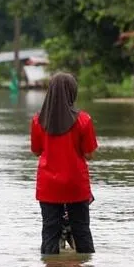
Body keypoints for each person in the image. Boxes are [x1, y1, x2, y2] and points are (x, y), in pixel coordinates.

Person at [31, 73, 98, 255]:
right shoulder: (84, 120)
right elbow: (89, 154)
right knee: (82, 232)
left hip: (48, 186)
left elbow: (37, 151)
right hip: (76, 185)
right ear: (72, 92)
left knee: (50, 233)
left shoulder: (38, 121)